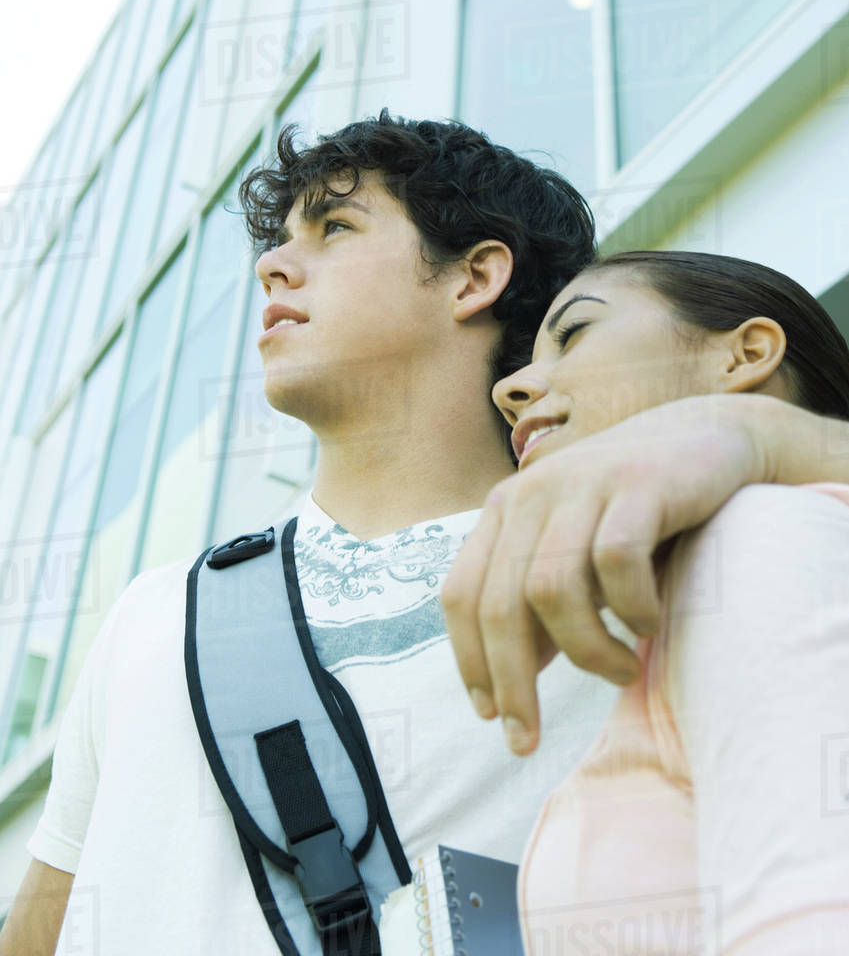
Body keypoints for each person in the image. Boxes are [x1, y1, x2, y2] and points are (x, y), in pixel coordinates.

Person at [4, 113, 849, 955]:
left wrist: (763, 439)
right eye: (279, 240)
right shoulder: (155, 614)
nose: (270, 265)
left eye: (334, 227)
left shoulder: (642, 548)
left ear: (473, 276)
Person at [446, 249, 849, 954]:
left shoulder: (761, 536)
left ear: (745, 354)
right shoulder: (696, 600)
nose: (511, 386)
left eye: (574, 335)